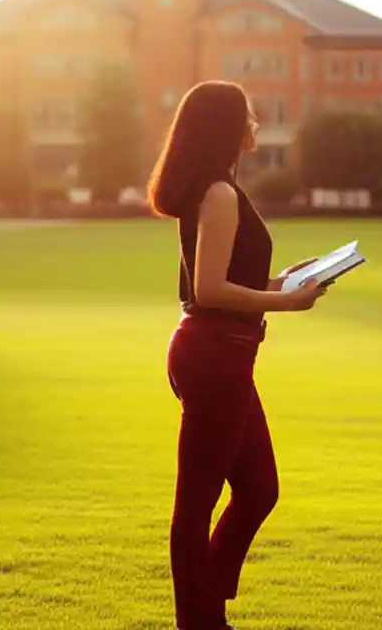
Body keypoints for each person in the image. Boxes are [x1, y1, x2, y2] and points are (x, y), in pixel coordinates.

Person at [147, 80, 327, 630]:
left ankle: (209, 599)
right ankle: (199, 621)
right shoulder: (218, 194)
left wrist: (288, 280)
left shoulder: (217, 189)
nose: (255, 121)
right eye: (249, 115)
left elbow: (228, 280)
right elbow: (208, 290)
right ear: (228, 127)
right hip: (213, 355)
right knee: (196, 504)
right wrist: (286, 302)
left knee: (258, 489)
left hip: (221, 353)